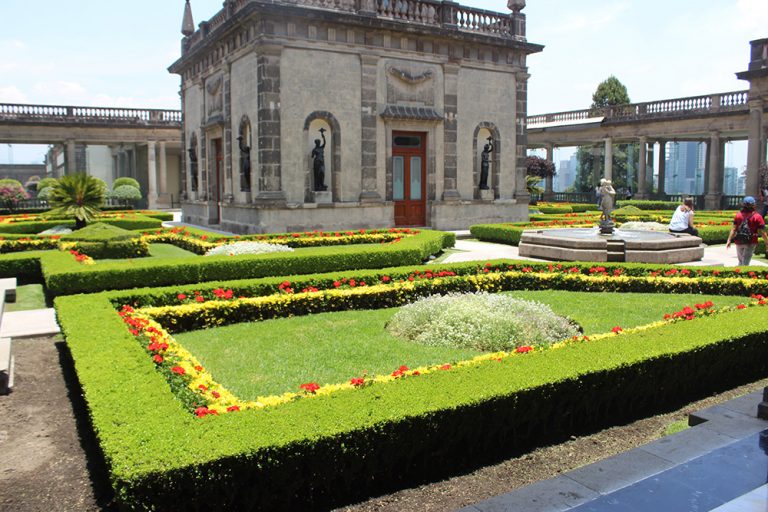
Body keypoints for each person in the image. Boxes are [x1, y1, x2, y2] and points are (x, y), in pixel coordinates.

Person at [726, 196, 768, 266]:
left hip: (739, 240)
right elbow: (763, 232)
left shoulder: (738, 215)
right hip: (751, 241)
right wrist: (767, 243)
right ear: (754, 205)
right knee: (745, 262)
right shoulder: (757, 217)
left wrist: (729, 240)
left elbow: (733, 229)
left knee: (740, 261)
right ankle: (742, 275)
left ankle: (738, 274)